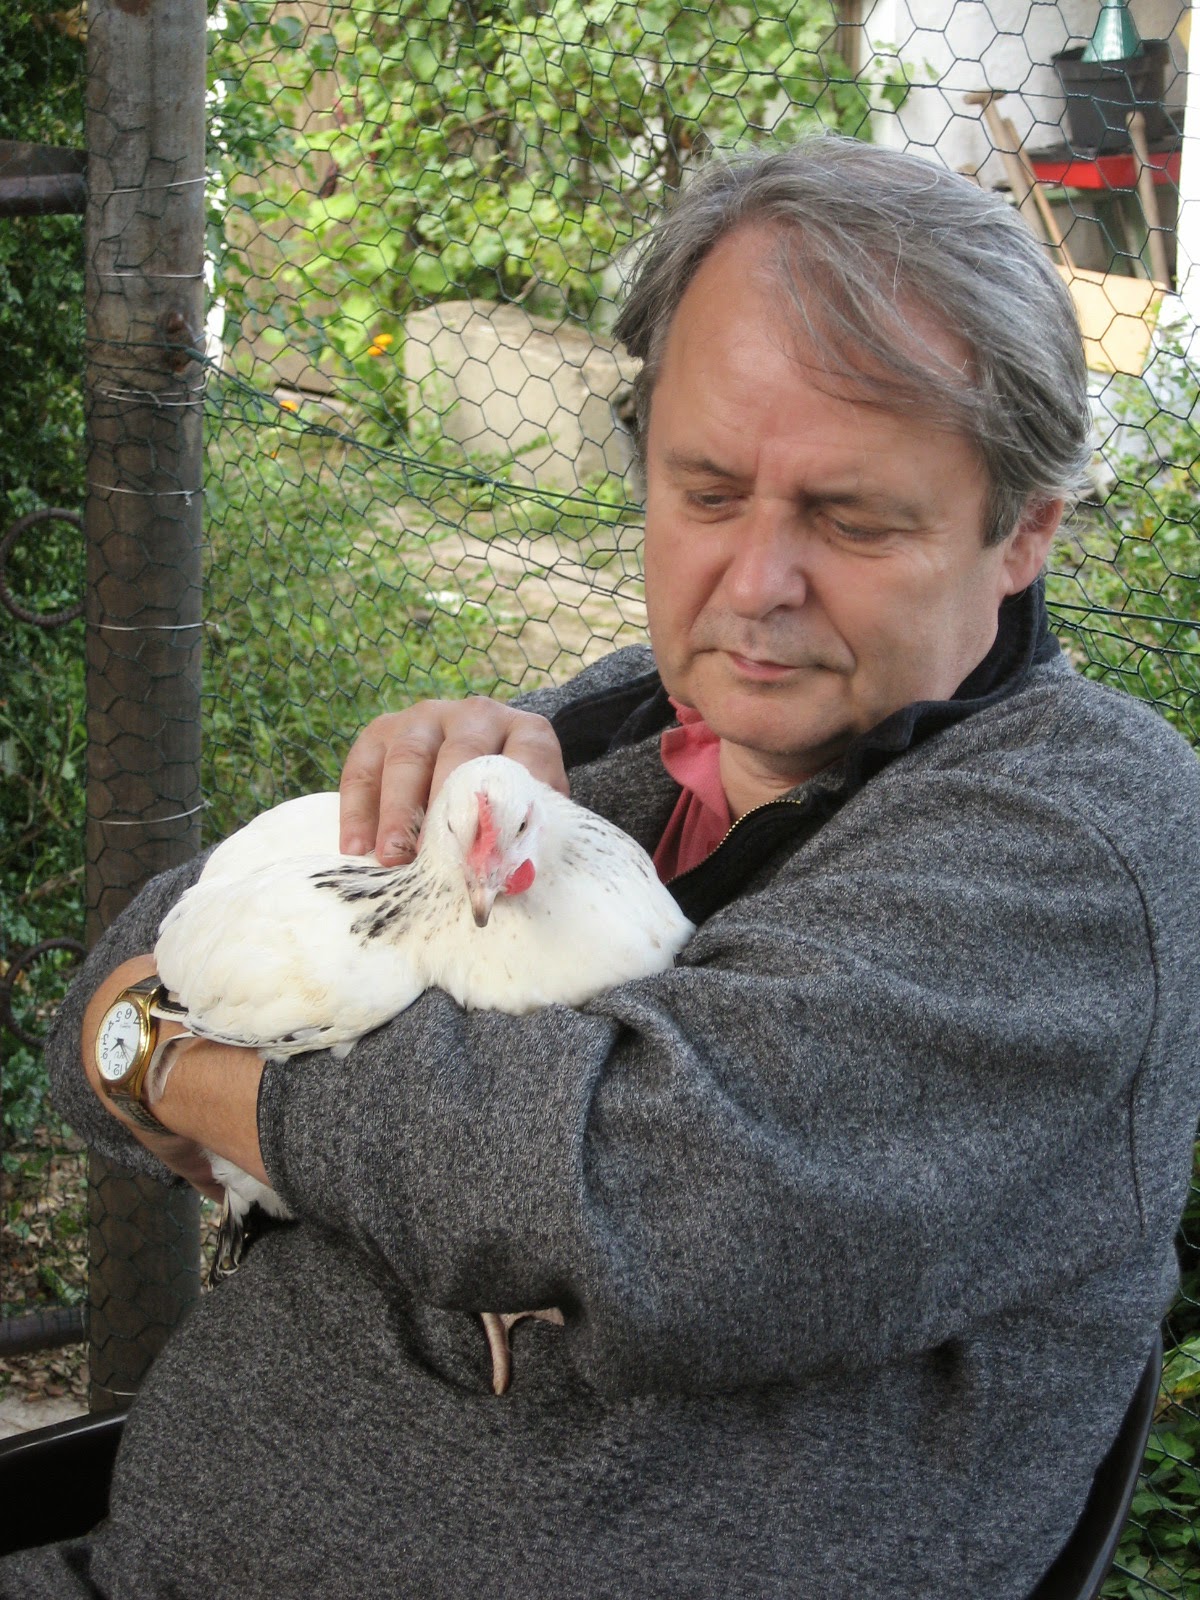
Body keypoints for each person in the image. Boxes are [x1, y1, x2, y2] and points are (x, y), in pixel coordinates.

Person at [3, 133, 1198, 1599]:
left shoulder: (1077, 832)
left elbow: (638, 1207)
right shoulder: (607, 726)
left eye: (850, 517)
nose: (755, 586)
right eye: (706, 493)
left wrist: (199, 1073)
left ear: (1022, 532)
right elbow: (110, 1002)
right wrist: (165, 1040)